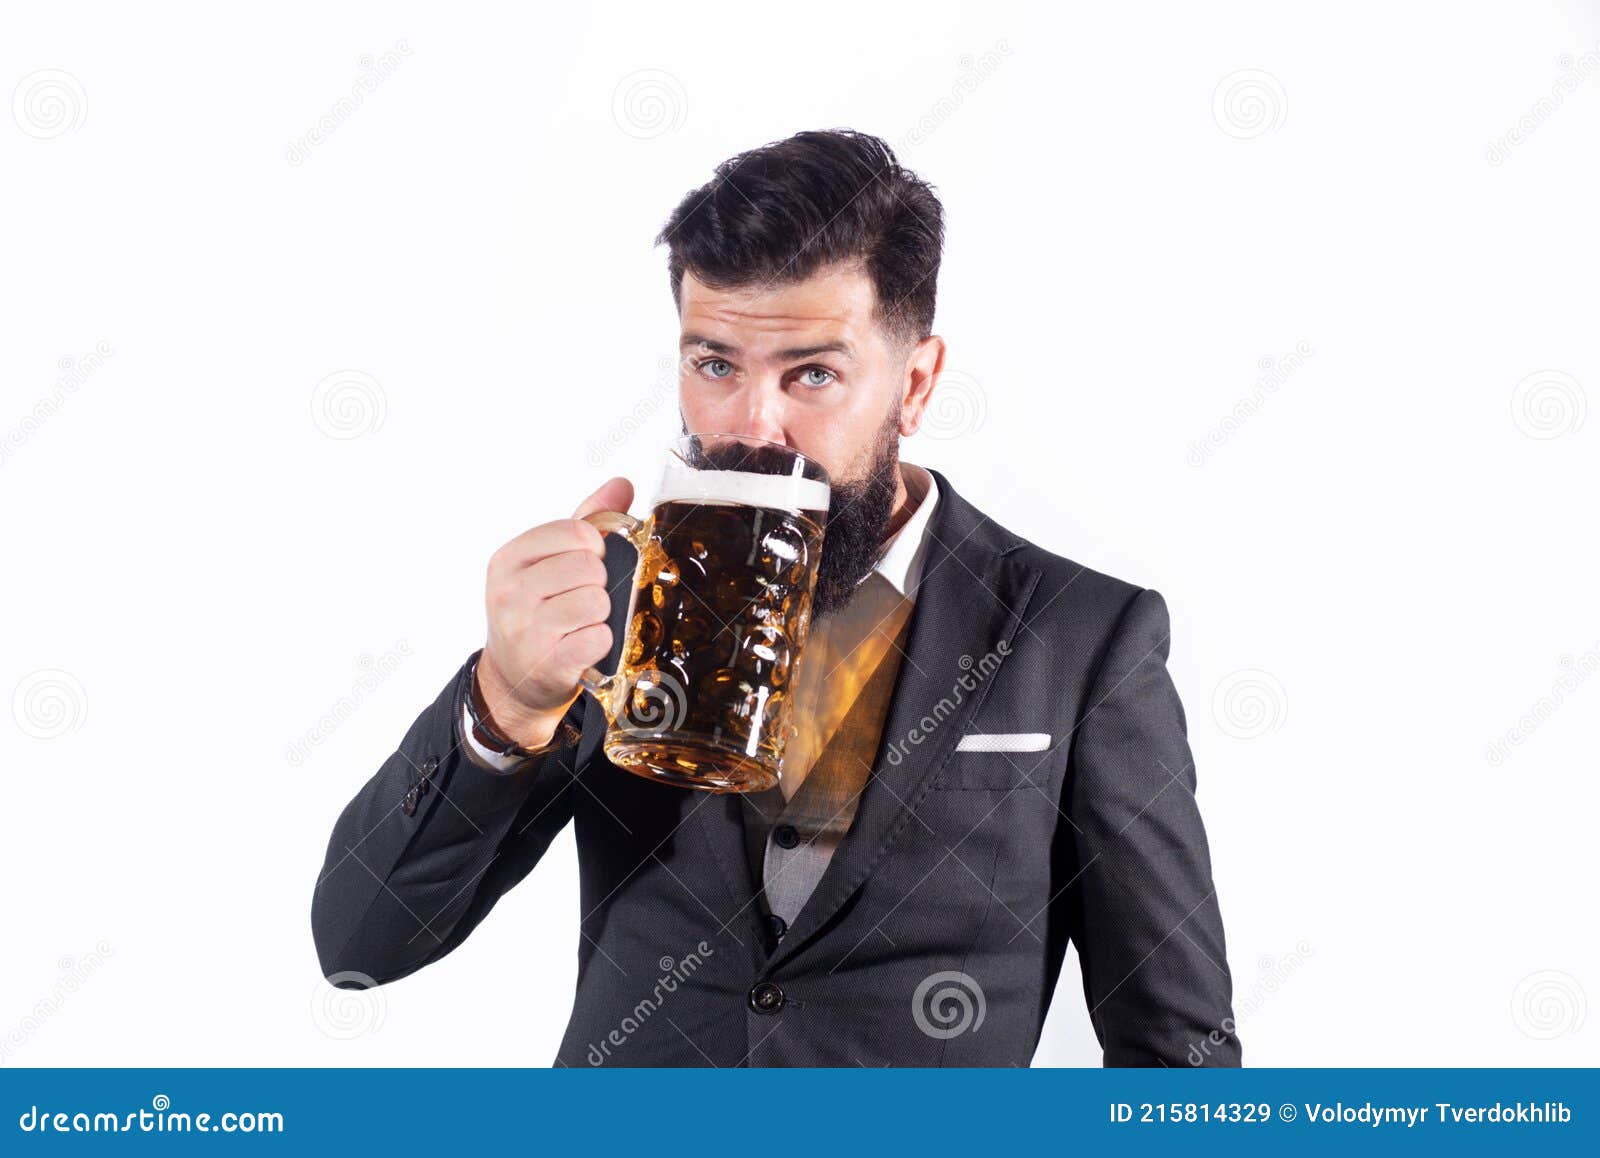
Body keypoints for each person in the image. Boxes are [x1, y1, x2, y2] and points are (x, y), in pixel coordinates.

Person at [310, 129, 1241, 1067]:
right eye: (715, 365)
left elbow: (1179, 1048)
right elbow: (360, 945)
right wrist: (506, 704)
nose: (754, 427)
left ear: (914, 385)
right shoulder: (615, 601)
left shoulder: (1078, 637)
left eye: (814, 374)